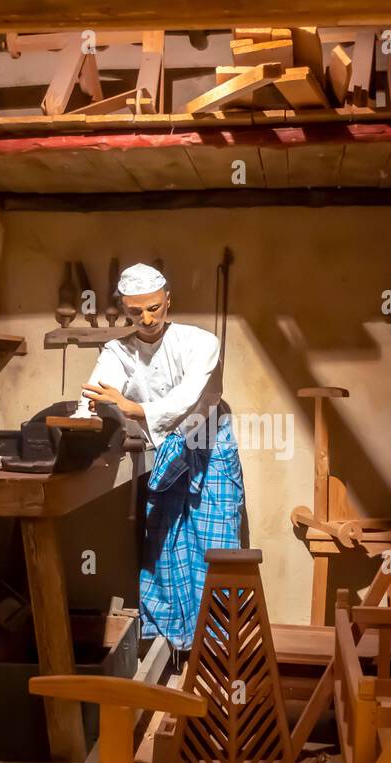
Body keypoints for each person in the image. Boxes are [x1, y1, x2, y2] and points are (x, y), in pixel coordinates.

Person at [77, 263, 244, 653]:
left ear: (168, 300)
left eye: (154, 308)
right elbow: (96, 395)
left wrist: (132, 409)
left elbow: (184, 400)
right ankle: (172, 647)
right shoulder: (118, 351)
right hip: (167, 452)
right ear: (124, 309)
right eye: (136, 312)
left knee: (214, 547)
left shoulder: (200, 342)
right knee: (165, 546)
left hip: (210, 446)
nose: (147, 319)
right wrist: (80, 421)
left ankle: (217, 650)